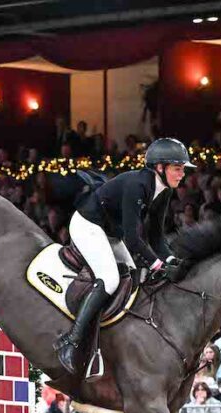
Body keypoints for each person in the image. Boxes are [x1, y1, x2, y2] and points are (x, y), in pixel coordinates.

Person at [55, 138, 194, 372]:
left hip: (111, 233)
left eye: (182, 170)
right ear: (159, 167)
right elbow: (133, 239)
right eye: (177, 168)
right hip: (88, 225)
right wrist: (157, 265)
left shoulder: (164, 192)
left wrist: (172, 261)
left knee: (133, 279)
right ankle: (71, 342)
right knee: (110, 280)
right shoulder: (137, 185)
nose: (182, 175)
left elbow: (156, 237)